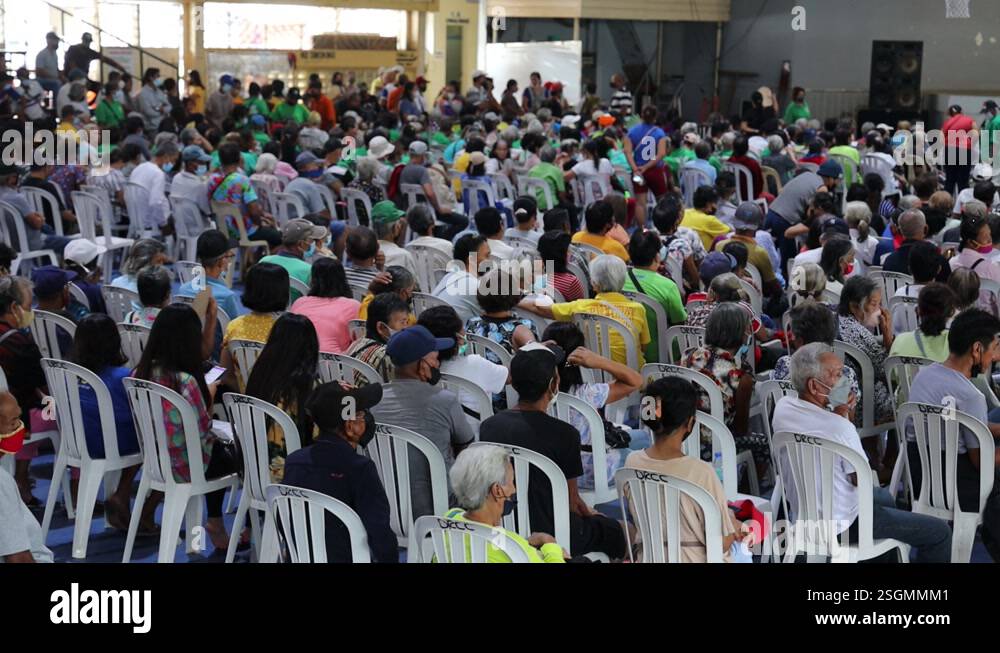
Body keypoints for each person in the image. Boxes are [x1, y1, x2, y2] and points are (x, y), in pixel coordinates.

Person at [772, 342, 953, 562]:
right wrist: (843, 415)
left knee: (884, 498)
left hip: (803, 514)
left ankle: (883, 555)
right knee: (939, 532)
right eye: (838, 375)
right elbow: (862, 480)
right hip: (844, 524)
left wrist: (839, 412)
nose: (845, 381)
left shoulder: (782, 409)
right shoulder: (840, 428)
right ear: (814, 386)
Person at [480, 343, 627, 559]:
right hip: (557, 533)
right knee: (624, 531)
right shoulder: (565, 434)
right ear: (554, 384)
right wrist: (594, 515)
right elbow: (572, 502)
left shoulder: (489, 426)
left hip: (505, 528)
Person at [134, 304, 239, 552]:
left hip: (157, 459)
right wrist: (210, 393)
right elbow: (204, 429)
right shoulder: (187, 381)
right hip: (190, 464)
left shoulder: (140, 372)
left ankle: (210, 524)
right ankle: (219, 521)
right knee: (235, 453)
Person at [627, 376, 755, 562]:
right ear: (689, 423)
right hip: (696, 558)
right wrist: (734, 531)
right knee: (744, 550)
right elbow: (721, 544)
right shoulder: (701, 472)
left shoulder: (632, 462)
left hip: (649, 557)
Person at [281, 382, 398, 562]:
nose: (366, 418)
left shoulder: (294, 462)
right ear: (350, 426)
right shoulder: (360, 468)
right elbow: (380, 534)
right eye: (362, 413)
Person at [371, 325, 475, 518]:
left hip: (384, 507)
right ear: (422, 365)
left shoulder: (372, 401)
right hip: (439, 508)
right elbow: (466, 449)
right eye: (435, 359)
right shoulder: (445, 400)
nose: (438, 364)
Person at [544, 322, 645, 488]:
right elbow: (636, 381)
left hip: (552, 471)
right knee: (644, 437)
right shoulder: (587, 394)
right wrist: (600, 361)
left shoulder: (534, 392)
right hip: (592, 473)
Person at [72, 313, 142, 531]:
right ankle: (123, 493)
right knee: (152, 435)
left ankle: (122, 497)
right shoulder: (123, 376)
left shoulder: (69, 373)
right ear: (114, 341)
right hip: (110, 445)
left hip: (78, 441)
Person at [521, 254, 650, 366]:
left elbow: (538, 307)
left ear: (594, 284)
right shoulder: (638, 309)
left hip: (592, 373)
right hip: (631, 375)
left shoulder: (580, 307)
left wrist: (512, 300)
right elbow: (644, 347)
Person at [444, 445, 566, 563]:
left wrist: (525, 543)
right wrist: (549, 543)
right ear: (497, 490)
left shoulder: (449, 519)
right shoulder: (513, 548)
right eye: (511, 481)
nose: (514, 489)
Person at [684, 303, 769, 467]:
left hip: (682, 437)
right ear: (742, 334)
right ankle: (743, 489)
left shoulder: (689, 354)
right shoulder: (740, 376)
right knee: (763, 444)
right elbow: (740, 428)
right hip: (714, 446)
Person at [244, 313, 320, 481]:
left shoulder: (257, 374)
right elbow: (319, 435)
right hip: (293, 476)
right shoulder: (307, 385)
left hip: (252, 468)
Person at [0, 277, 49, 505]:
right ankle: (77, 490)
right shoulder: (18, 342)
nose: (30, 313)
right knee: (73, 418)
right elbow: (41, 383)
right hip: (17, 418)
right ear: (13, 308)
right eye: (29, 307)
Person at [837, 277, 895, 462]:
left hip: (839, 398)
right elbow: (889, 372)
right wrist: (888, 337)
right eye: (874, 304)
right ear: (855, 307)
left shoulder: (837, 321)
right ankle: (889, 463)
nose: (879, 311)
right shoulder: (860, 334)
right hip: (862, 402)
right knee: (903, 399)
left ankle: (874, 456)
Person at [418, 305, 509, 413]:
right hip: (477, 429)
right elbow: (509, 377)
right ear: (458, 338)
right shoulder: (475, 364)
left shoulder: (418, 370)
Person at [220, 263, 289, 391]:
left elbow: (225, 375)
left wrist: (248, 393)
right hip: (281, 407)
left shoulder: (234, 326)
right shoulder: (289, 329)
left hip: (244, 406)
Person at [622, 230, 686, 362]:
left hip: (625, 351)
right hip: (661, 355)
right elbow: (679, 323)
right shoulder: (668, 286)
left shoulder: (619, 279)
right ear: (657, 256)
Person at [766, 159, 844, 267]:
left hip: (771, 212)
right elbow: (817, 216)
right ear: (830, 178)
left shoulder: (807, 174)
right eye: (836, 180)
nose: (837, 183)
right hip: (785, 220)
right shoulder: (822, 188)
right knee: (789, 262)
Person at [466, 268, 539, 363]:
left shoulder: (473, 323)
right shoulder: (524, 326)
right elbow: (538, 359)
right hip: (510, 377)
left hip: (475, 376)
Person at [290, 257, 361, 353]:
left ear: (313, 279)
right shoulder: (353, 306)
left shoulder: (300, 302)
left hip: (298, 361)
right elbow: (359, 342)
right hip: (335, 365)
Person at [714, 202, 781, 298]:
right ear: (756, 226)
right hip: (752, 303)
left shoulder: (719, 246)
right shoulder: (759, 252)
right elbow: (772, 284)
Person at [175, 230, 241, 322]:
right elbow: (234, 328)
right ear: (221, 261)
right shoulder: (227, 296)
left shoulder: (183, 289)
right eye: (229, 256)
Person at [345, 293, 409, 382]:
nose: (406, 328)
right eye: (402, 322)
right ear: (381, 328)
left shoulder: (359, 342)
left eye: (407, 322)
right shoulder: (387, 357)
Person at [624, 105, 670, 226]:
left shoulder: (632, 132)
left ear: (642, 116)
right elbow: (661, 154)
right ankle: (664, 226)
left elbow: (627, 152)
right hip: (654, 170)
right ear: (655, 117)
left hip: (638, 171)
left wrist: (635, 168)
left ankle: (642, 229)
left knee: (640, 203)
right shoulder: (659, 132)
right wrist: (647, 166)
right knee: (662, 200)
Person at [260, 219, 325, 301]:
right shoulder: (309, 270)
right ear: (301, 244)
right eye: (312, 240)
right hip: (297, 312)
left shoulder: (264, 261)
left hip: (266, 311)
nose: (314, 244)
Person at [888, 283, 956, 362]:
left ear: (917, 311)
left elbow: (893, 373)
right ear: (951, 313)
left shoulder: (899, 342)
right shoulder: (957, 347)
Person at [432, 233, 490, 323]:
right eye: (487, 256)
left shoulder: (448, 277)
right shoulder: (474, 285)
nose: (490, 261)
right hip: (454, 334)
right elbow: (496, 316)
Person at [369, 201, 417, 273]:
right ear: (396, 227)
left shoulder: (365, 254)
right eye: (399, 223)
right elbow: (415, 284)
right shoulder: (404, 256)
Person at [537, 230, 585, 302]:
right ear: (562, 256)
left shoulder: (538, 279)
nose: (570, 253)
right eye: (568, 251)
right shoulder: (571, 282)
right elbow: (580, 307)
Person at [681, 186, 731, 251]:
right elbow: (730, 235)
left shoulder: (685, 212)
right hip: (702, 257)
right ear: (708, 204)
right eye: (715, 203)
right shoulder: (709, 220)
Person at [942, 104, 978, 196]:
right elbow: (976, 133)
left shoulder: (947, 122)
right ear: (961, 111)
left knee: (950, 180)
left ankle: (946, 204)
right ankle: (964, 204)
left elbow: (941, 137)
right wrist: (970, 145)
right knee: (963, 180)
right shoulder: (969, 120)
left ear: (950, 113)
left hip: (950, 150)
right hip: (964, 150)